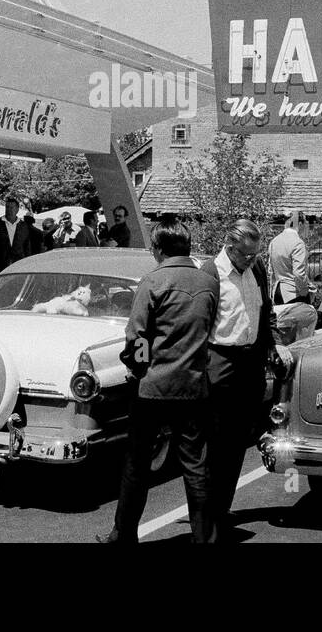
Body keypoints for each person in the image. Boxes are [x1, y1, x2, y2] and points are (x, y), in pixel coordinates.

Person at [100, 217, 218, 544]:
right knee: (196, 466)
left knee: (137, 466)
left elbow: (138, 337)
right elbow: (210, 329)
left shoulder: (152, 281)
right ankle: (204, 538)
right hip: (194, 386)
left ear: (158, 248)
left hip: (153, 387)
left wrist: (136, 369)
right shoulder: (208, 282)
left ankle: (123, 534)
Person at [199, 220, 278, 542]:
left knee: (235, 444)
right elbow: (201, 322)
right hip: (221, 362)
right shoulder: (210, 273)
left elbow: (265, 309)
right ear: (229, 247)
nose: (250, 260)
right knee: (214, 444)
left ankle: (222, 508)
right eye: (245, 255)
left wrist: (272, 344)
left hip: (250, 363)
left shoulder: (256, 268)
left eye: (254, 254)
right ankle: (205, 516)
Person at [268, 211, 315, 344]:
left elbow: (271, 271)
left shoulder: (274, 241)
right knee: (299, 336)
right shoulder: (297, 243)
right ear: (300, 223)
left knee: (282, 331)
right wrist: (305, 290)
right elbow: (299, 273)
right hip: (294, 292)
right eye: (306, 224)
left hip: (277, 290)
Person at [0, 196, 30, 282]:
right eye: (7, 207)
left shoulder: (24, 226)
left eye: (12, 207)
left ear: (17, 210)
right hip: (0, 265)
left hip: (18, 265)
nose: (9, 210)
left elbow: (27, 247)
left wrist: (28, 264)